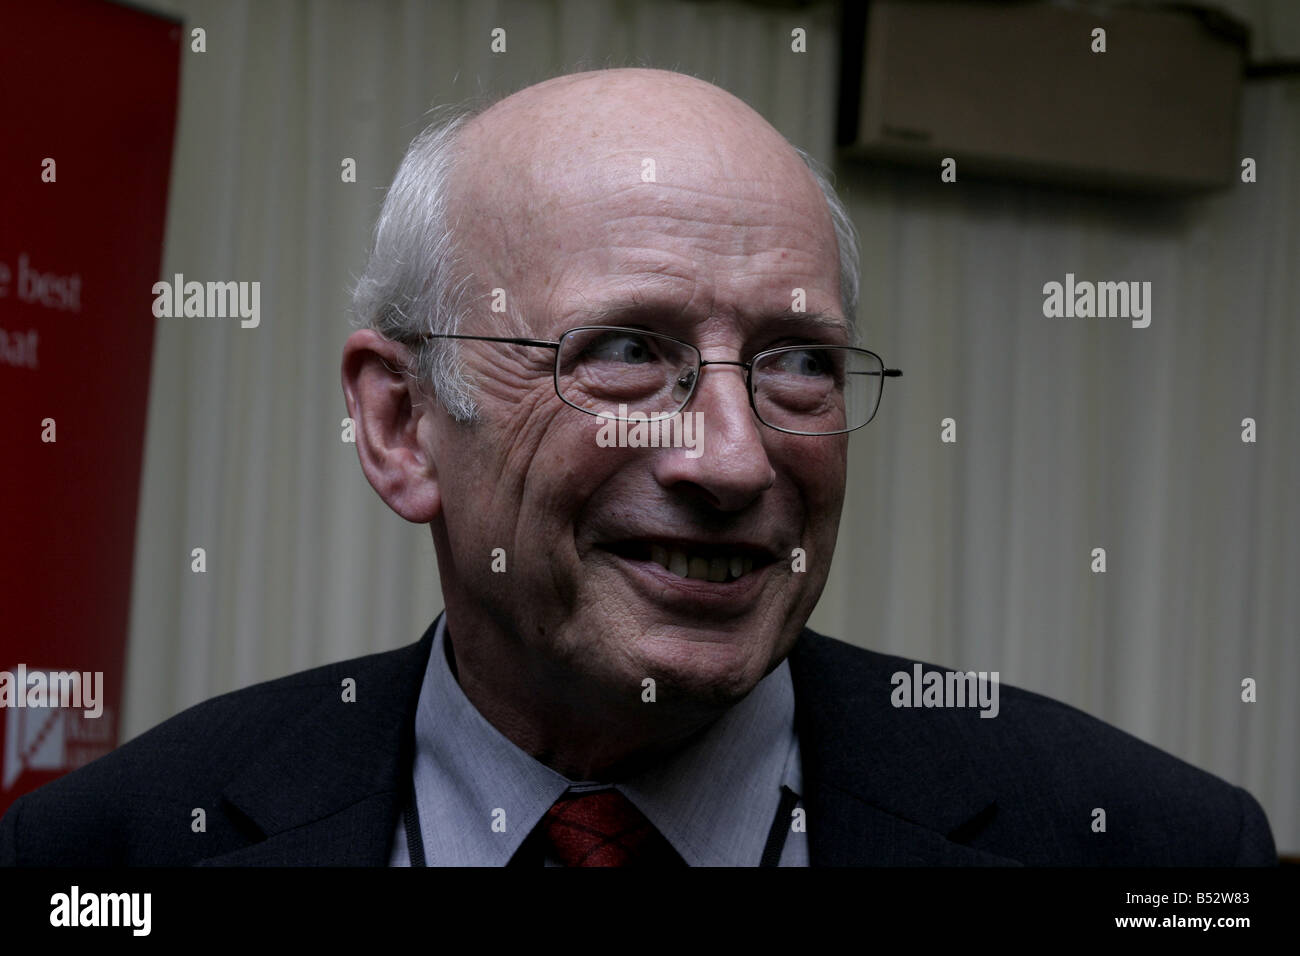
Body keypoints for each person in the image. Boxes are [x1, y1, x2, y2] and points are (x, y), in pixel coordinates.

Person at [0, 68, 1275, 867]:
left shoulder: (1143, 848)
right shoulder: (109, 854)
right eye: (622, 351)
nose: (731, 457)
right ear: (399, 424)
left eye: (797, 364)